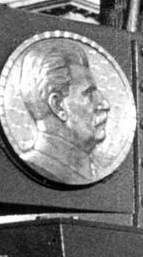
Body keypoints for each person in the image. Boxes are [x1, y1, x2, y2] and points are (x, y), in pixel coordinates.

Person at [18, 40, 111, 184]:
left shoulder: (96, 169)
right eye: (89, 93)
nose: (105, 104)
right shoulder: (38, 167)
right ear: (58, 106)